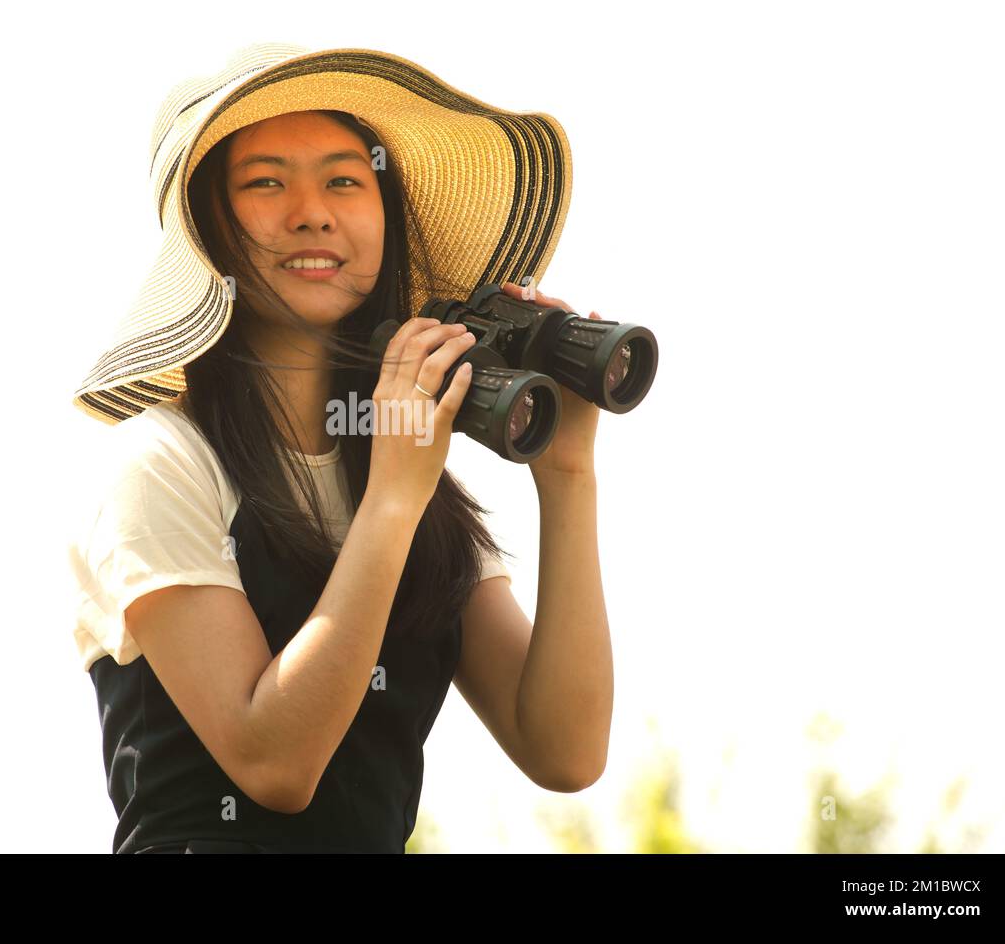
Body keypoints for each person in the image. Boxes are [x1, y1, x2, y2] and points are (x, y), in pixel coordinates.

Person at [66, 44, 613, 853]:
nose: (312, 212)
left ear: (386, 217)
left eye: (346, 180)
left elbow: (564, 750)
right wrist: (392, 501)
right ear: (209, 232)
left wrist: (567, 475)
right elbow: (274, 763)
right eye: (265, 182)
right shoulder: (163, 461)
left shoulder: (411, 477)